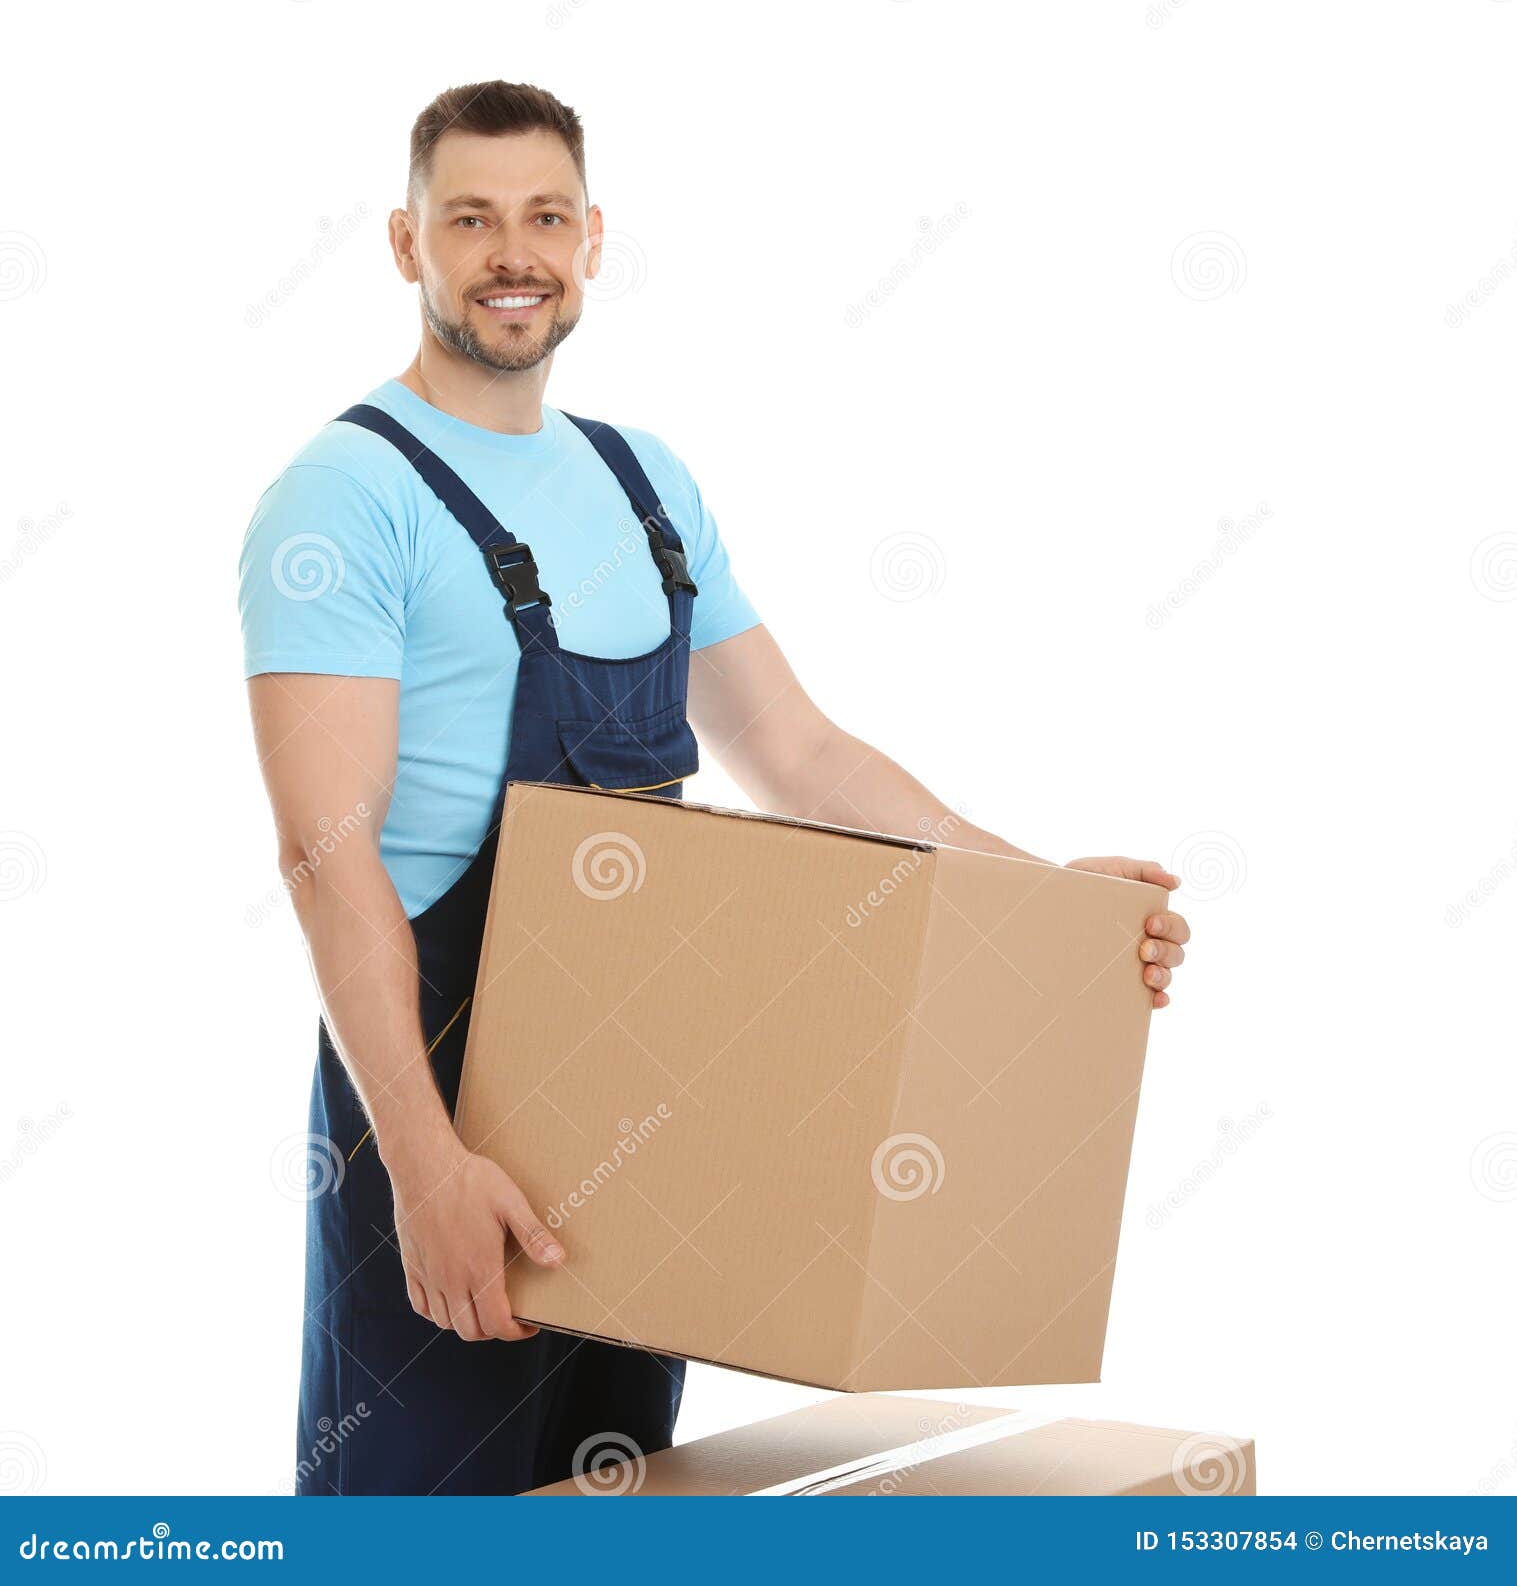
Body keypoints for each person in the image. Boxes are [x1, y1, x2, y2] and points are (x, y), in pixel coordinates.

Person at [238, 79, 1192, 1496]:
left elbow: (796, 752)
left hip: (639, 1131)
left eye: (545, 217)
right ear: (404, 243)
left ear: (591, 238)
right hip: (435, 1113)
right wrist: (423, 1166)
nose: (515, 252)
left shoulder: (643, 483)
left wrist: (1038, 896)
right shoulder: (345, 496)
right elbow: (328, 857)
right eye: (472, 219)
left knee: (614, 1507)